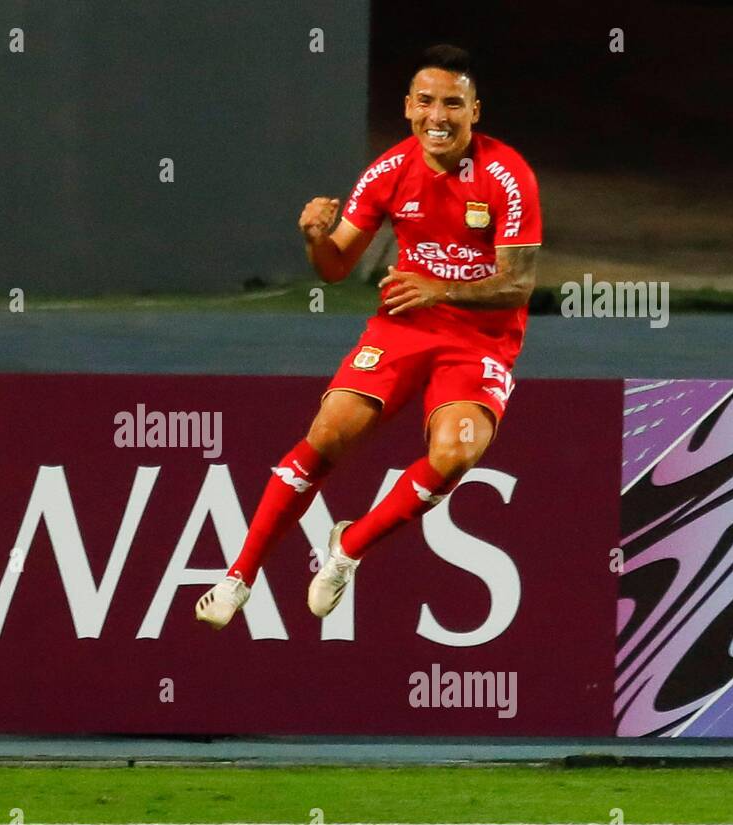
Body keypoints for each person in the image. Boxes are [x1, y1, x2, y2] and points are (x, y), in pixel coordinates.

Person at [196, 44, 542, 629]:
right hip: (404, 326)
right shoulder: (388, 171)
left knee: (456, 454)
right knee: (329, 432)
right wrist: (315, 237)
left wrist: (439, 288)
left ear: (474, 111)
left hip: (479, 340)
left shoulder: (507, 175)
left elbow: (520, 284)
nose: (439, 115)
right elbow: (333, 267)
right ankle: (238, 578)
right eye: (427, 102)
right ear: (408, 107)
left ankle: (348, 547)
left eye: (453, 104)